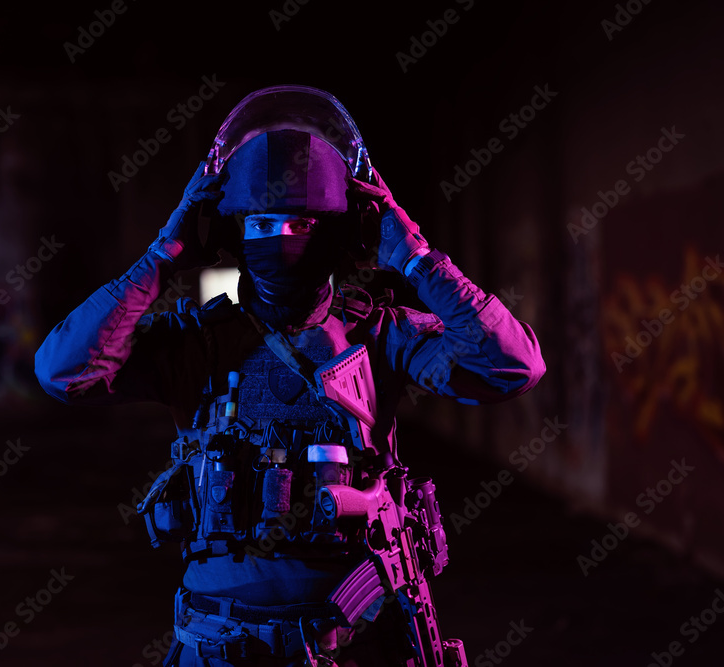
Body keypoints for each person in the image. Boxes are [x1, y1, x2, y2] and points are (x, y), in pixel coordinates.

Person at [35, 86, 546, 666]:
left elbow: (512, 365)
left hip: (352, 646)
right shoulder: (197, 344)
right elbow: (63, 371)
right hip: (220, 646)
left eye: (302, 223)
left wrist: (416, 258)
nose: (280, 239)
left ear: (340, 232)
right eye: (262, 223)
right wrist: (163, 255)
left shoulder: (380, 335)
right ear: (229, 232)